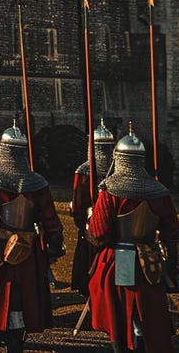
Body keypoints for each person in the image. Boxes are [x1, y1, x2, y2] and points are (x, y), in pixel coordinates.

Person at [87, 125, 179, 353]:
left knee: (121, 309)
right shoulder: (159, 191)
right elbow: (174, 235)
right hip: (149, 261)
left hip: (120, 258)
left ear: (119, 159)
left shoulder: (110, 190)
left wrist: (91, 229)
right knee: (147, 310)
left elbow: (99, 234)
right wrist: (175, 267)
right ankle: (140, 338)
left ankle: (124, 343)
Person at [0, 124, 63, 352]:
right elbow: (50, 219)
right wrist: (53, 246)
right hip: (28, 247)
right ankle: (13, 335)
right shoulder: (37, 183)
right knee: (24, 290)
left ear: (3, 150)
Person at [71, 120, 115, 296]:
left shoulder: (117, 171)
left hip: (94, 225)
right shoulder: (86, 171)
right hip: (93, 224)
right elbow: (80, 202)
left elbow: (77, 206)